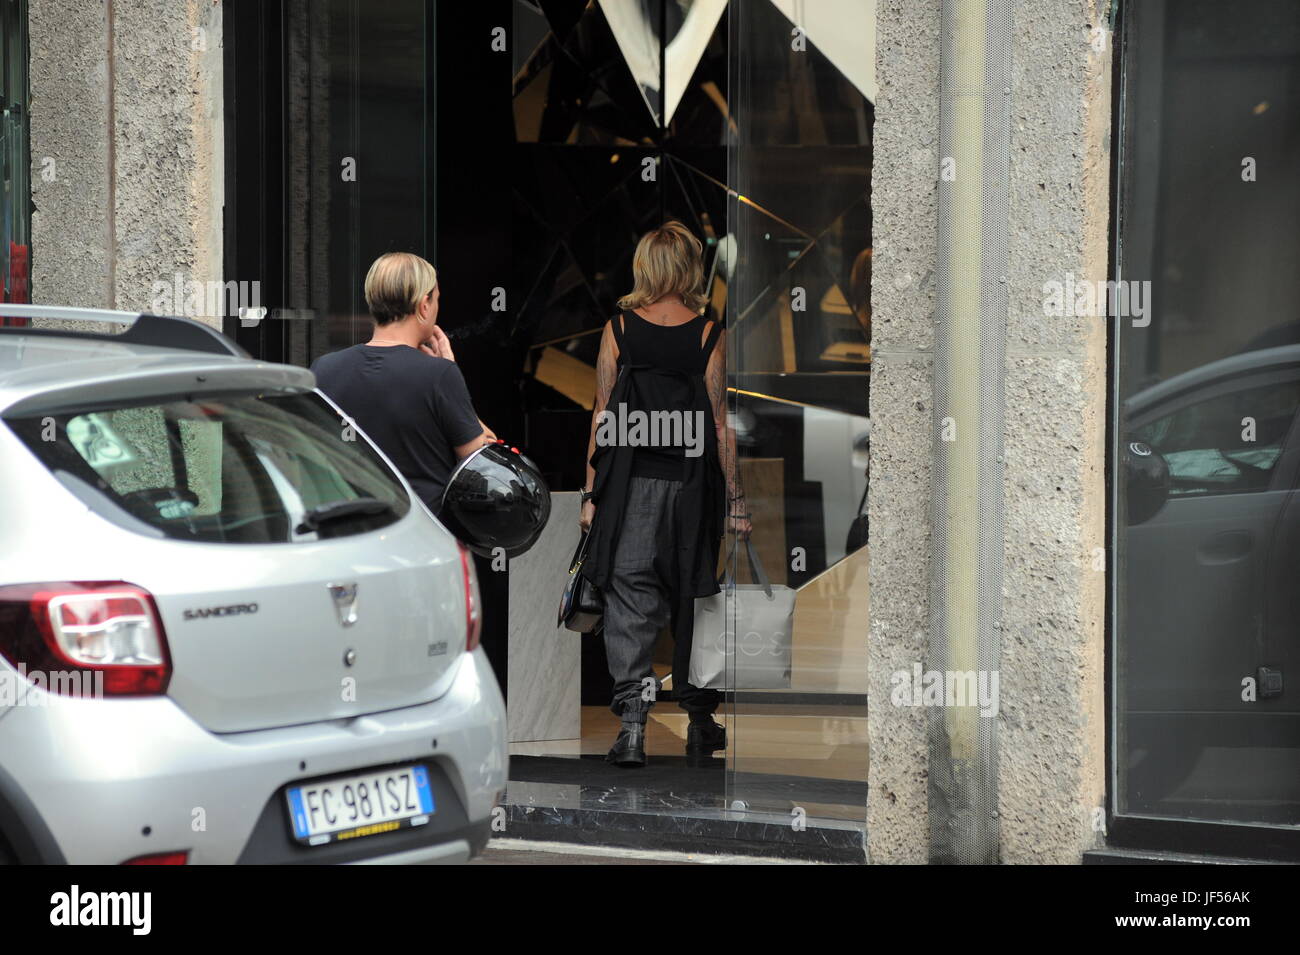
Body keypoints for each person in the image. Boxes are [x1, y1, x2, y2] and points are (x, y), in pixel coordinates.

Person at [579, 221, 752, 768]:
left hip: (630, 487)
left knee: (630, 596)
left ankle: (632, 726)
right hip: (690, 488)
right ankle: (701, 724)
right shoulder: (708, 334)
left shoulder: (619, 330)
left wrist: (590, 492)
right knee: (693, 599)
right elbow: (721, 424)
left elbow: (602, 416)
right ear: (689, 270)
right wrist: (736, 500)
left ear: (646, 267)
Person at [311, 252, 494, 512]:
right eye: (437, 300)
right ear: (424, 305)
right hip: (421, 536)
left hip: (347, 529)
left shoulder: (324, 369)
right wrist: (450, 368)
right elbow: (481, 466)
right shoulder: (439, 375)